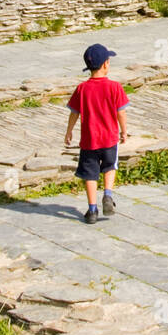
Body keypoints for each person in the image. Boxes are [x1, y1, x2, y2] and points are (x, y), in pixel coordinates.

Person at [64, 43, 129, 223]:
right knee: (110, 166)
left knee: (90, 174)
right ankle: (107, 194)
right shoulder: (115, 87)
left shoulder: (82, 89)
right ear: (106, 64)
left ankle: (92, 210)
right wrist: (124, 132)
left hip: (89, 141)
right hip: (109, 138)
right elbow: (121, 113)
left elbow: (74, 113)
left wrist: (69, 132)